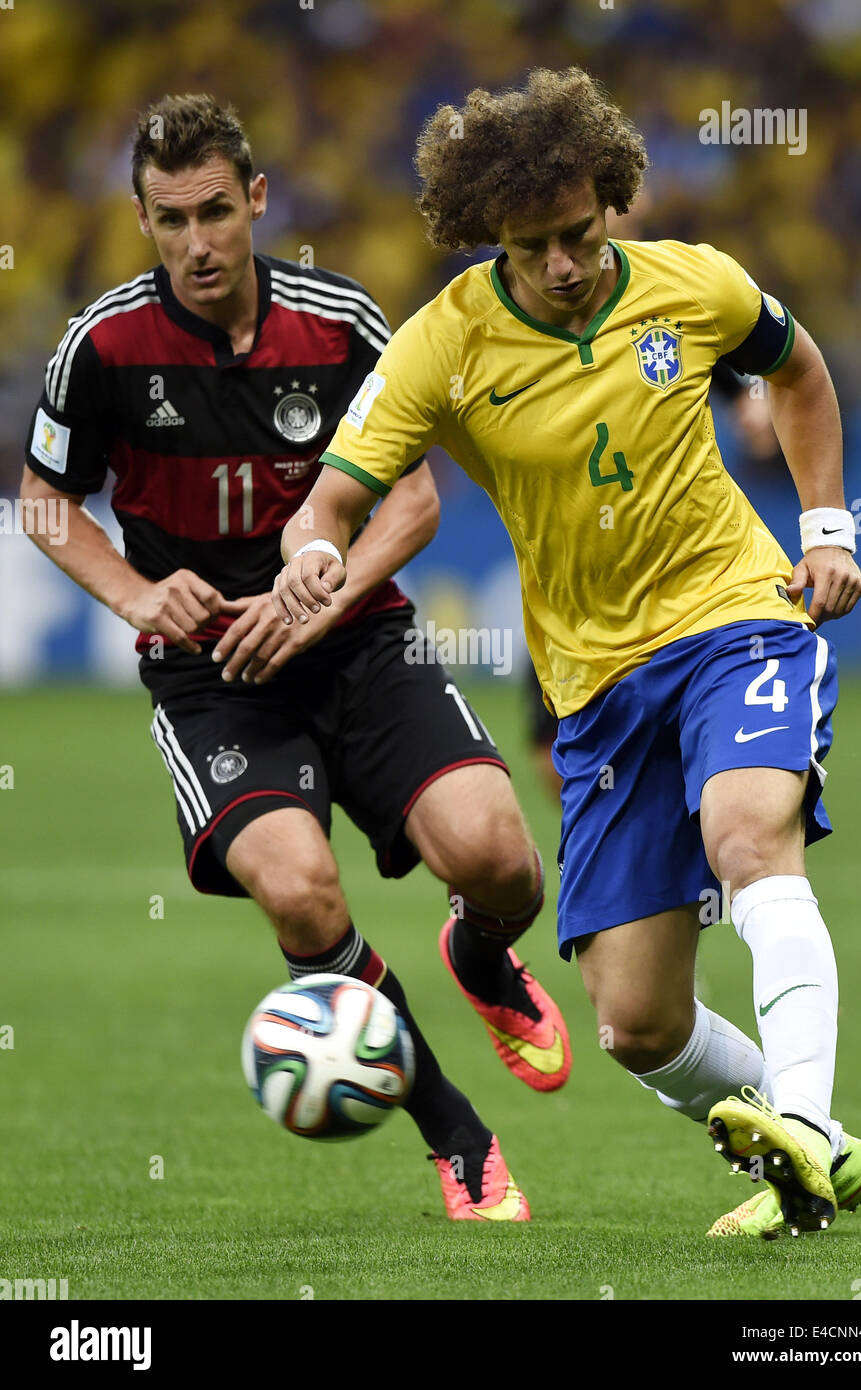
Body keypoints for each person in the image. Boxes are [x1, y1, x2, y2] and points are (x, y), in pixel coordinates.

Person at [272, 67, 861, 1239]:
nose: (561, 264)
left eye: (577, 232)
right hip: (595, 688)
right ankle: (815, 1142)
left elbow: (796, 369)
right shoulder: (441, 344)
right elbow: (332, 497)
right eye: (528, 247)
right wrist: (313, 550)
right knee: (635, 1025)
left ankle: (797, 1127)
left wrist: (823, 527)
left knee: (745, 834)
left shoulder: (692, 283)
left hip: (734, 617)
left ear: (609, 195)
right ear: (483, 239)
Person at [20, 93, 572, 1224]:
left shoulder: (338, 325)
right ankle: (456, 1137)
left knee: (502, 860)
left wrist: (323, 602)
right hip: (212, 678)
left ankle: (477, 951)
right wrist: (135, 591)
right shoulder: (105, 345)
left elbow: (413, 498)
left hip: (356, 641)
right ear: (141, 218)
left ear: (257, 200)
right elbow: (43, 500)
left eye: (216, 211)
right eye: (168, 220)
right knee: (299, 891)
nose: (196, 243)